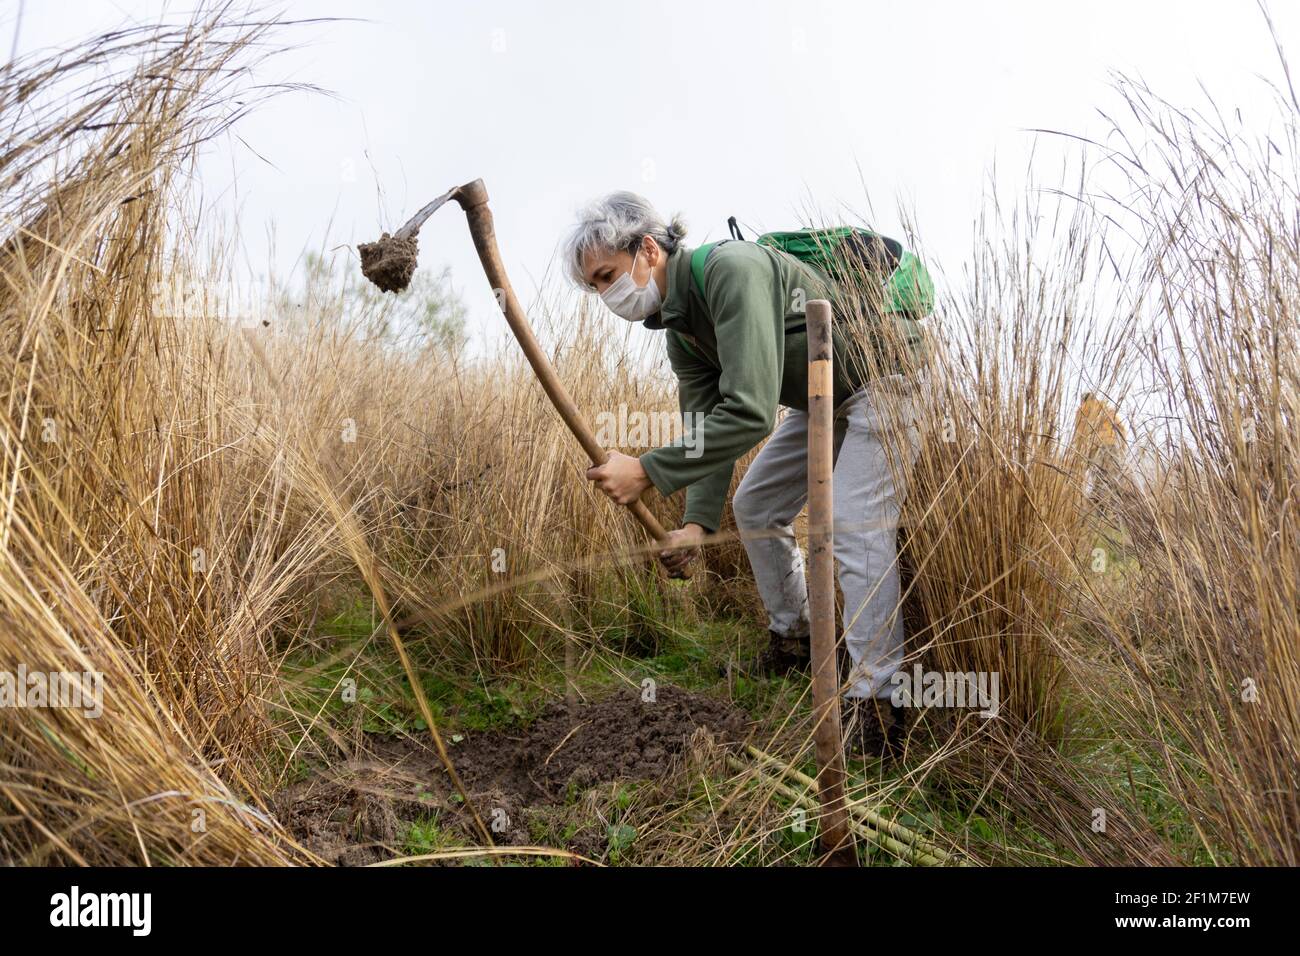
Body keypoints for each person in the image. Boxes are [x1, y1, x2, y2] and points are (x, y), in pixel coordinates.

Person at [563, 191, 926, 757]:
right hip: (821, 397)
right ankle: (797, 641)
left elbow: (751, 412)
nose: (607, 295)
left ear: (648, 250)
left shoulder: (732, 270)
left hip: (890, 380)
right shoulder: (680, 329)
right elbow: (707, 426)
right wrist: (697, 525)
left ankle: (880, 703)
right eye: (595, 287)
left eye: (608, 275)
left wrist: (649, 471)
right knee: (755, 505)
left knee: (855, 523)